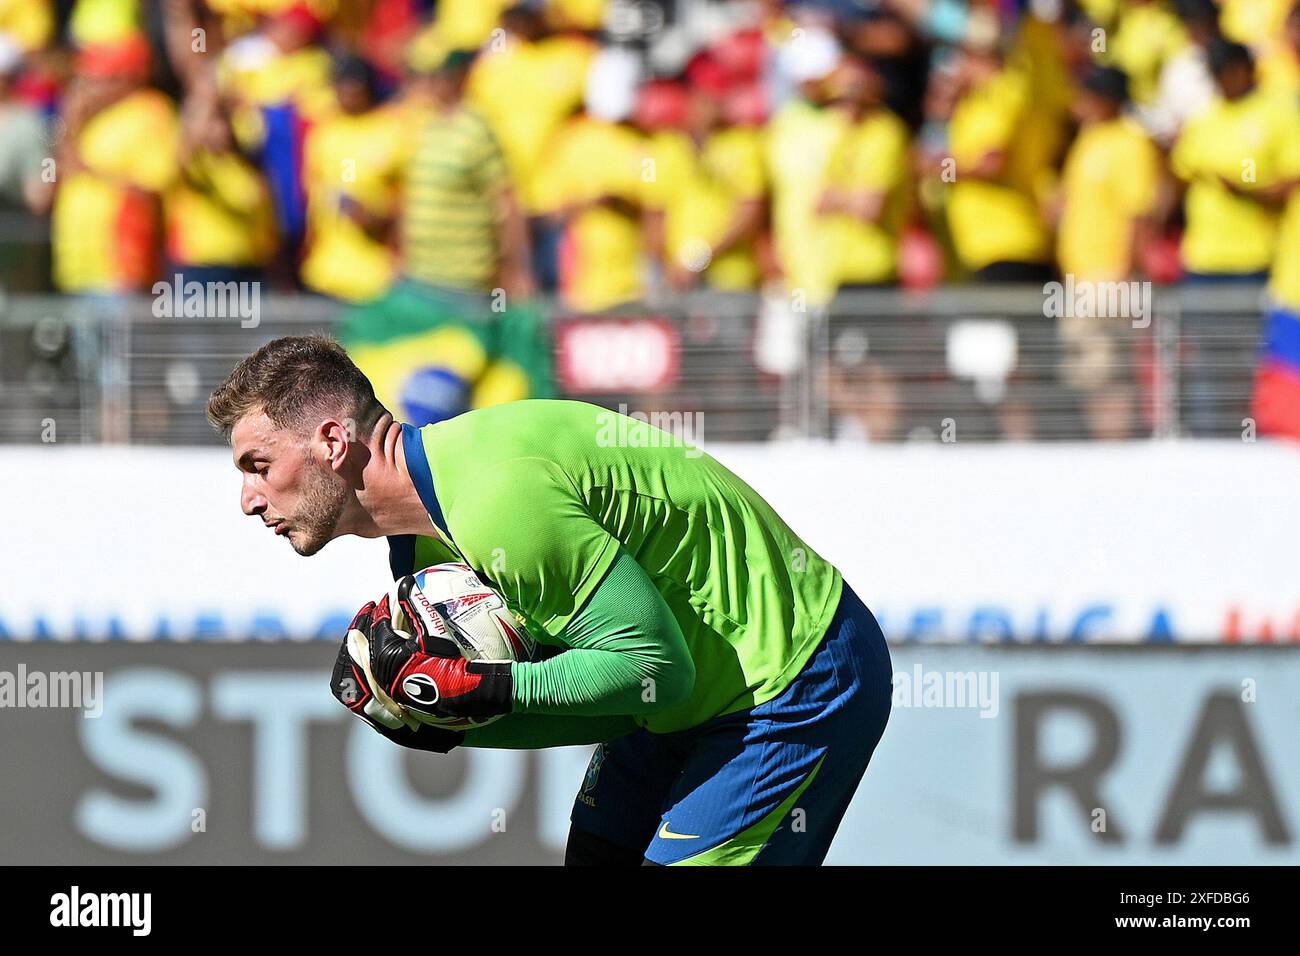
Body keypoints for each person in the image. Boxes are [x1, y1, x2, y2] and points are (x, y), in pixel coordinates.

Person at [206, 335, 893, 866]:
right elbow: (612, 695)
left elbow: (654, 672)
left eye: (257, 466)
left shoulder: (498, 503)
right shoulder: (423, 543)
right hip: (685, 698)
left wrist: (487, 690)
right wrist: (444, 716)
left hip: (791, 678)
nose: (247, 499)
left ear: (332, 440)